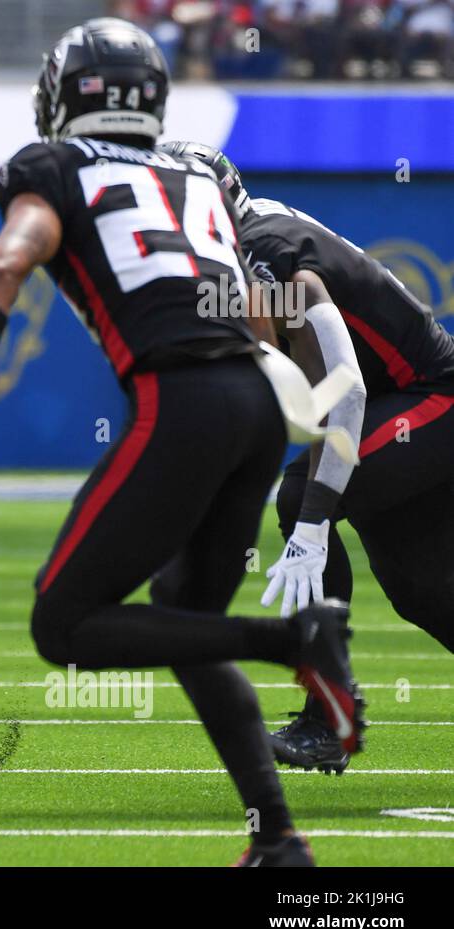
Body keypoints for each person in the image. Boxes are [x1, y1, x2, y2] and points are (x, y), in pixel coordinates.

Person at [0, 18, 363, 866]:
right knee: (186, 622)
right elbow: (254, 313)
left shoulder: (51, 168)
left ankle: (291, 639)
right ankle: (278, 838)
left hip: (181, 397)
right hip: (258, 403)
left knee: (63, 623)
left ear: (66, 94)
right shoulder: (200, 172)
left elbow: (2, 268)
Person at [160, 141, 454, 773]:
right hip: (401, 402)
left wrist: (314, 522)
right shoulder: (247, 243)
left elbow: (345, 389)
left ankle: (329, 717)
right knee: (424, 591)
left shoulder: (264, 255)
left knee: (304, 494)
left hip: (432, 396)